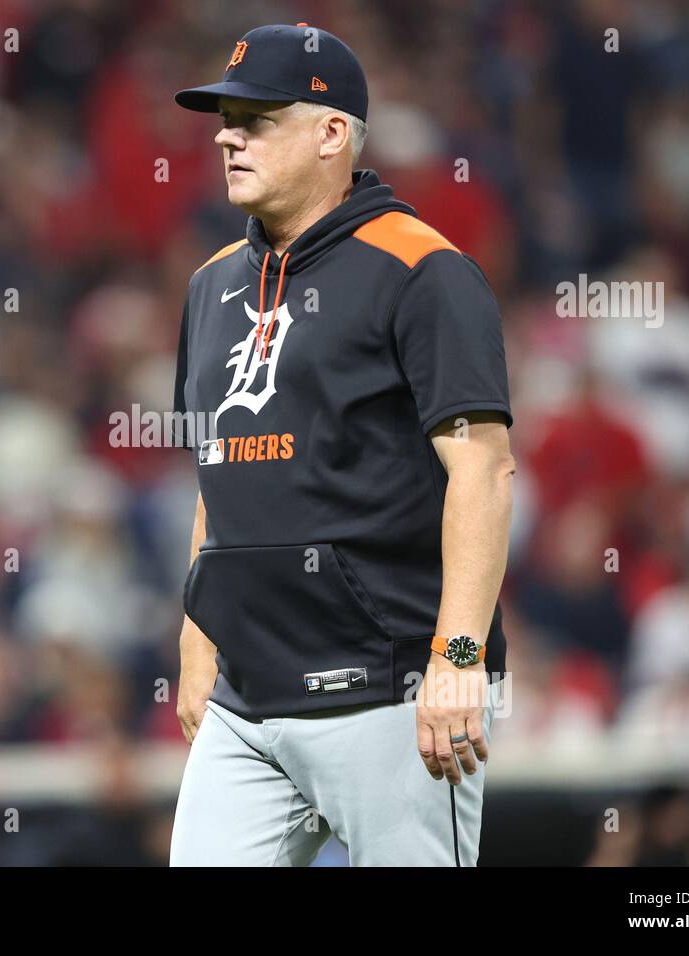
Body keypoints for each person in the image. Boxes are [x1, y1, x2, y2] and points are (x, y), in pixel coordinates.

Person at [168, 23, 516, 866]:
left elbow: (485, 467)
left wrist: (457, 659)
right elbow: (218, 472)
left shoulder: (422, 268)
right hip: (248, 705)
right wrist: (197, 636)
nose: (226, 134)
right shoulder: (211, 284)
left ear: (332, 133)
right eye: (224, 117)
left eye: (256, 118)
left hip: (389, 692)